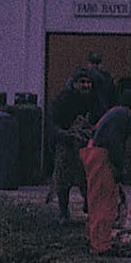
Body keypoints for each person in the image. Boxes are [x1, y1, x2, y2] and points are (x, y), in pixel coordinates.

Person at [81, 89, 131, 253]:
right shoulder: (122, 116)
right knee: (105, 203)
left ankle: (93, 239)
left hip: (93, 153)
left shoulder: (113, 113)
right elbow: (115, 143)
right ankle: (101, 245)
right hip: (102, 157)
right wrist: (119, 167)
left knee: (95, 201)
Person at [44, 71, 96, 219]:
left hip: (87, 146)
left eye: (88, 82)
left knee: (88, 180)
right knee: (62, 181)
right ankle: (64, 213)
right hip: (66, 145)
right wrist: (63, 135)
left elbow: (102, 119)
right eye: (82, 82)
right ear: (74, 84)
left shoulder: (95, 99)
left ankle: (89, 207)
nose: (86, 85)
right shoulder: (62, 100)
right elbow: (52, 122)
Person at [75, 52, 118, 118]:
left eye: (97, 63)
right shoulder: (106, 77)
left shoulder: (106, 77)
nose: (95, 66)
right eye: (92, 63)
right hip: (94, 113)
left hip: (99, 113)